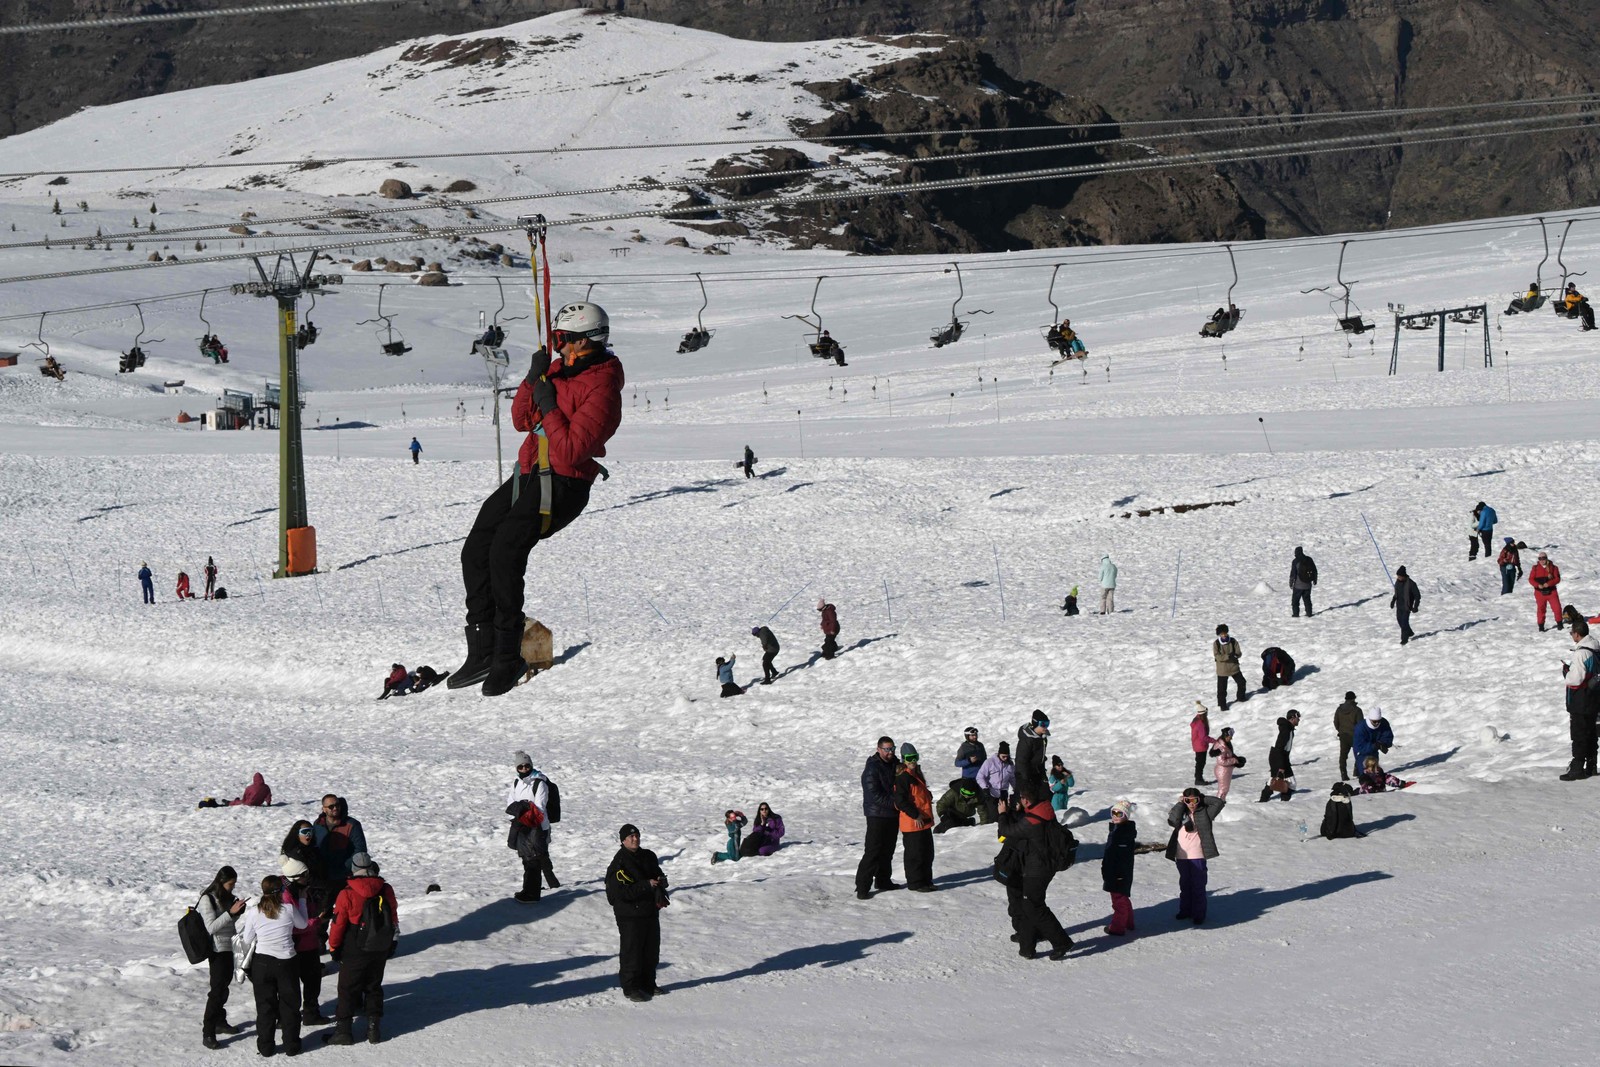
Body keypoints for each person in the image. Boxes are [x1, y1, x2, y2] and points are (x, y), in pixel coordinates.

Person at [450, 302, 624, 696]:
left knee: (506, 551)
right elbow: (520, 421)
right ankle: (482, 648)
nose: (559, 347)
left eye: (563, 340)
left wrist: (547, 404)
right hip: (530, 474)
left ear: (586, 341)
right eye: (557, 340)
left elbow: (570, 450)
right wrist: (533, 381)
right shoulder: (559, 371)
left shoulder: (603, 385)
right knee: (476, 550)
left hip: (563, 483)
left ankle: (508, 654)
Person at [326, 853, 398, 1044]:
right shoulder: (385, 888)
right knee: (373, 985)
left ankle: (343, 1032)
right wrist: (393, 940)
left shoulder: (347, 892)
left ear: (354, 869)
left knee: (347, 988)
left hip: (354, 946)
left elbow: (338, 924)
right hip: (381, 944)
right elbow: (393, 916)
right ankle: (374, 1029)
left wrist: (333, 946)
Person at [238, 874, 308, 1057]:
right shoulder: (289, 909)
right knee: (290, 1005)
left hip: (262, 963)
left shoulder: (254, 911)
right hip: (286, 962)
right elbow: (303, 925)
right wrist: (302, 901)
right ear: (282, 891)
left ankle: (266, 1047)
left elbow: (247, 939)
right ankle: (291, 1046)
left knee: (265, 1007)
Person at [997, 791, 1071, 958]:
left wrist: (1003, 814)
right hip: (1042, 867)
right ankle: (1027, 947)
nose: (1020, 801)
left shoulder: (1032, 820)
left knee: (1033, 906)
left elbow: (1005, 832)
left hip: (1036, 870)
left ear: (1028, 800)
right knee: (1029, 905)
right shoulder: (1044, 810)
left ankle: (1061, 942)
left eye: (1022, 798)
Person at [606, 824, 668, 1002]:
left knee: (651, 951)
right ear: (623, 840)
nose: (635, 839)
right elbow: (620, 894)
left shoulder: (648, 856)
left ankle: (648, 984)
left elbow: (657, 874)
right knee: (631, 952)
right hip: (629, 915)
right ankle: (630, 988)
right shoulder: (619, 863)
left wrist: (661, 884)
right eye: (631, 837)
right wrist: (646, 885)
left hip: (649, 911)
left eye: (637, 835)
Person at [196, 865, 247, 1049]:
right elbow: (211, 927)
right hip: (217, 950)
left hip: (228, 947)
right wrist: (230, 913)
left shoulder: (225, 897)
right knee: (216, 992)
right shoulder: (206, 899)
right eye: (230, 884)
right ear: (221, 881)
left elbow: (226, 923)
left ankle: (219, 1021)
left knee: (223, 988)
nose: (232, 887)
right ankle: (207, 1032)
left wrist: (236, 913)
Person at [280, 857, 330, 1025]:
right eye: (304, 875)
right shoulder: (288, 895)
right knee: (309, 982)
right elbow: (297, 924)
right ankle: (307, 1014)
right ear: (294, 877)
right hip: (301, 945)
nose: (308, 878)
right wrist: (317, 921)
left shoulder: (297, 889)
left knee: (306, 982)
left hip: (304, 943)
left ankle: (294, 1015)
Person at [1167, 788, 1225, 924]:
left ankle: (1198, 914)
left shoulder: (1205, 812)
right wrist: (1181, 804)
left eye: (1195, 800)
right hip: (1181, 855)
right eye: (1188, 800)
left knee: (1198, 886)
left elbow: (1218, 803)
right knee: (1185, 885)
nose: (1192, 803)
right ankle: (1185, 911)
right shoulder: (1181, 812)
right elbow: (1172, 820)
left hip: (1198, 854)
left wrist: (1202, 798)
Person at [854, 737, 902, 899]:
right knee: (873, 851)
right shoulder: (872, 768)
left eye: (892, 749)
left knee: (888, 850)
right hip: (877, 815)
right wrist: (895, 804)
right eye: (887, 749)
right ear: (879, 749)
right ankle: (862, 886)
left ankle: (883, 880)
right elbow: (874, 795)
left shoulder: (896, 764)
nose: (890, 752)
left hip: (892, 815)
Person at [505, 751, 557, 901]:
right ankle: (529, 889)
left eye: (527, 765)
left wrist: (522, 809)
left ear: (531, 765)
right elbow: (510, 803)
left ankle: (533, 893)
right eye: (520, 766)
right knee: (526, 858)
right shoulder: (516, 783)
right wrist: (522, 809)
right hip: (522, 826)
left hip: (537, 826)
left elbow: (539, 808)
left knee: (535, 858)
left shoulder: (539, 783)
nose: (524, 768)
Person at [1561, 617, 1600, 780]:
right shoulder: (1595, 648)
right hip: (1593, 697)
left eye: (1572, 633)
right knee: (1591, 732)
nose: (1571, 635)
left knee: (1579, 734)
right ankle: (1591, 765)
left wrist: (1566, 672)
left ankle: (1577, 768)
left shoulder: (1581, 653)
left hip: (1580, 700)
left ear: (1577, 634)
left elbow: (1576, 679)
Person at [894, 743, 936, 892]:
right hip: (913, 823)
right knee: (915, 854)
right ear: (903, 759)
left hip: (923, 820)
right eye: (909, 758)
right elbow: (900, 801)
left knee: (927, 853)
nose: (912, 761)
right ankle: (916, 883)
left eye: (915, 758)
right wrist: (915, 814)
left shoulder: (916, 775)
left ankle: (926, 880)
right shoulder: (903, 778)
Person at [314, 795, 368, 888]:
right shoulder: (318, 824)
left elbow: (360, 850)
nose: (335, 808)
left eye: (337, 805)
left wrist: (344, 867)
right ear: (324, 809)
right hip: (323, 876)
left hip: (345, 876)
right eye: (331, 806)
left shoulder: (352, 825)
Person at [1102, 799, 1138, 935]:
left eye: (1119, 814)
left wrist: (1115, 873)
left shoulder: (1122, 834)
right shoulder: (1117, 830)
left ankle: (1117, 927)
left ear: (1126, 816)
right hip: (1116, 872)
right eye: (1113, 812)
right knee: (1122, 897)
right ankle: (1129, 922)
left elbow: (1120, 857)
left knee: (1119, 901)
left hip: (1119, 873)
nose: (1115, 816)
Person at [1260, 710, 1299, 802]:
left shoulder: (1288, 728)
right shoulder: (1286, 729)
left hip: (1281, 757)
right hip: (1278, 757)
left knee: (1283, 781)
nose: (1299, 720)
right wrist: (1281, 765)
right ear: (1292, 718)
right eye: (1298, 718)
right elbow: (1279, 747)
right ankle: (1270, 800)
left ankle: (1276, 800)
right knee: (1282, 781)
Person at [1014, 710, 1051, 803]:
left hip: (1038, 772)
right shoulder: (1027, 740)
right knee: (1030, 801)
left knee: (1045, 797)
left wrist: (1042, 772)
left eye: (1047, 723)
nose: (1045, 726)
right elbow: (1021, 761)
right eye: (1043, 724)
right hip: (1026, 776)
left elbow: (1040, 757)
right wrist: (1026, 780)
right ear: (1035, 723)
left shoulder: (1042, 738)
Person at [975, 741, 1014, 823]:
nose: (1005, 758)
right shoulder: (989, 762)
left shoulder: (1010, 765)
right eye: (1003, 756)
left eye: (1007, 756)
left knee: (1004, 816)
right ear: (999, 754)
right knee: (994, 818)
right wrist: (985, 788)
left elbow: (1012, 779)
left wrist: (1017, 789)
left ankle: (1003, 835)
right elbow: (980, 777)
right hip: (991, 793)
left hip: (1003, 793)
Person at [1351, 706, 1394, 775]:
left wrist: (1382, 744)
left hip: (1374, 751)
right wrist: (1374, 746)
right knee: (1365, 774)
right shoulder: (1360, 728)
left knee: (1375, 772)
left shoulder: (1384, 723)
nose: (1377, 723)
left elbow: (1388, 737)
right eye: (1374, 721)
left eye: (1378, 721)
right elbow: (1359, 747)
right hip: (1362, 753)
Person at [1212, 624, 1246, 709]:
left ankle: (1241, 698)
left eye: (1224, 633)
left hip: (1234, 667)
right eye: (1221, 634)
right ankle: (1222, 705)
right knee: (1222, 690)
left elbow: (1238, 652)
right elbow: (1217, 656)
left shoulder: (1233, 641)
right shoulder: (1216, 643)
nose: (1223, 635)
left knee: (1242, 682)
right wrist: (1227, 656)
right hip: (1222, 670)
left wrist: (1236, 655)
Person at [1530, 551, 1564, 632]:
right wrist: (1538, 585)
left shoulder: (1554, 567)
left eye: (1543, 558)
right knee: (1541, 609)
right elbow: (1531, 579)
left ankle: (1560, 624)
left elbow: (1557, 579)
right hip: (1539, 593)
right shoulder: (1535, 568)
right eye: (1540, 559)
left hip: (1551, 591)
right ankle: (1541, 627)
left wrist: (1549, 584)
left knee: (1557, 608)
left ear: (1546, 558)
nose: (1542, 560)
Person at [1333, 691, 1363, 782]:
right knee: (1359, 753)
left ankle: (1343, 774)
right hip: (1355, 736)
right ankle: (1356, 771)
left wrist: (1340, 731)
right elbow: (1360, 724)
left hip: (1343, 736)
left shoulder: (1339, 709)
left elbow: (1336, 722)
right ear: (1354, 698)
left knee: (1343, 756)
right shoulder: (1357, 710)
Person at [1209, 726, 1242, 800]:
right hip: (1222, 771)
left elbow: (1229, 755)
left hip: (1225, 770)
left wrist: (1237, 759)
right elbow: (1222, 761)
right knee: (1223, 790)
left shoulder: (1225, 743)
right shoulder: (1221, 746)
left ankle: (1220, 803)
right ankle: (1218, 805)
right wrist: (1235, 760)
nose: (1231, 738)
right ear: (1225, 736)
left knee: (1224, 790)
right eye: (1230, 736)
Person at [1391, 566, 1420, 645]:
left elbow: (1417, 596)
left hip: (1407, 607)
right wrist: (1393, 601)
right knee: (1400, 621)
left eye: (1400, 576)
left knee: (1404, 623)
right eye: (1398, 576)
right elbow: (1396, 593)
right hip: (1399, 606)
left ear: (1404, 576)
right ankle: (1409, 632)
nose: (1398, 578)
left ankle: (1404, 639)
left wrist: (1415, 606)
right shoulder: (1398, 582)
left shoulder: (1411, 584)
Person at [1190, 702, 1216, 786]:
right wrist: (1214, 741)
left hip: (1197, 745)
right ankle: (1198, 779)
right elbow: (1203, 737)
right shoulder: (1200, 723)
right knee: (1201, 763)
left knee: (1199, 762)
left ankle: (1198, 778)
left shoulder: (1196, 720)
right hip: (1201, 746)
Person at [1290, 546, 1318, 617]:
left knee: (1295, 601)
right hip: (1308, 585)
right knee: (1307, 600)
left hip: (1298, 586)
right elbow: (1314, 570)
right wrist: (1315, 580)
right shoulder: (1309, 559)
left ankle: (1296, 614)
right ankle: (1309, 614)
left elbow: (1293, 573)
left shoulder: (1295, 561)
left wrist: (1291, 582)